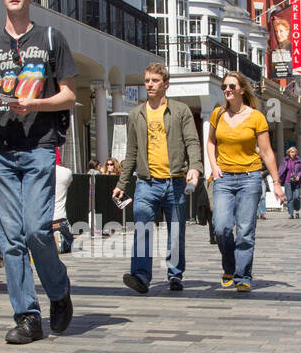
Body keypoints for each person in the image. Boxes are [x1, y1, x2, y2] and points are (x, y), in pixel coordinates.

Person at [0, 0, 75, 344]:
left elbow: (69, 95)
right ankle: (27, 316)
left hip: (40, 147)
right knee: (10, 236)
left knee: (35, 230)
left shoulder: (50, 38)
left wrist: (35, 104)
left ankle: (59, 289)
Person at [114, 62, 202, 293]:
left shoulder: (180, 111)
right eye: (147, 81)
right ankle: (141, 276)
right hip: (146, 182)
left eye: (154, 81)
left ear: (166, 84)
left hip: (176, 181)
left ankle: (175, 274)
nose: (150, 85)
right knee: (142, 226)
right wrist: (122, 183)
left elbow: (192, 141)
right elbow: (131, 151)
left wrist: (195, 167)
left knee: (176, 231)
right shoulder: (136, 114)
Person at [207, 70, 284, 291]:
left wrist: (276, 183)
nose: (227, 90)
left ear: (242, 89)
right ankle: (230, 267)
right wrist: (213, 165)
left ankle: (242, 275)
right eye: (224, 87)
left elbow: (267, 152)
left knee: (245, 229)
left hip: (250, 178)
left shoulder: (256, 117)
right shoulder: (217, 114)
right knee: (221, 227)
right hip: (223, 178)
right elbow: (211, 142)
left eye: (232, 86)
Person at [277, 143, 301, 219]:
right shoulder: (285, 161)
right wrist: (278, 178)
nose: (293, 153)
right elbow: (281, 169)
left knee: (296, 197)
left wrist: (299, 176)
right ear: (289, 153)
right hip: (288, 181)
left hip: (297, 181)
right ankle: (291, 213)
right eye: (291, 152)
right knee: (289, 197)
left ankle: (297, 211)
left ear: (296, 153)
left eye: (294, 152)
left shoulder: (299, 161)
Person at [53, 149, 74, 254]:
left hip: (42, 220)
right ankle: (61, 241)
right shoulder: (66, 172)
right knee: (69, 243)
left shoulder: (36, 173)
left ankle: (53, 240)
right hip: (60, 219)